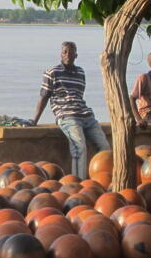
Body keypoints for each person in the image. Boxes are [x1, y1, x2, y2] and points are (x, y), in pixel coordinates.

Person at [32, 41, 110, 179]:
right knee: (80, 148)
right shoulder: (52, 73)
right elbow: (43, 97)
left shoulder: (80, 72)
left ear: (76, 55)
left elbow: (79, 96)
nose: (68, 55)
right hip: (67, 116)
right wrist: (34, 120)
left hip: (86, 115)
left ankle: (103, 180)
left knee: (105, 147)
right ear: (61, 54)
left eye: (71, 52)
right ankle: (78, 183)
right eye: (65, 52)